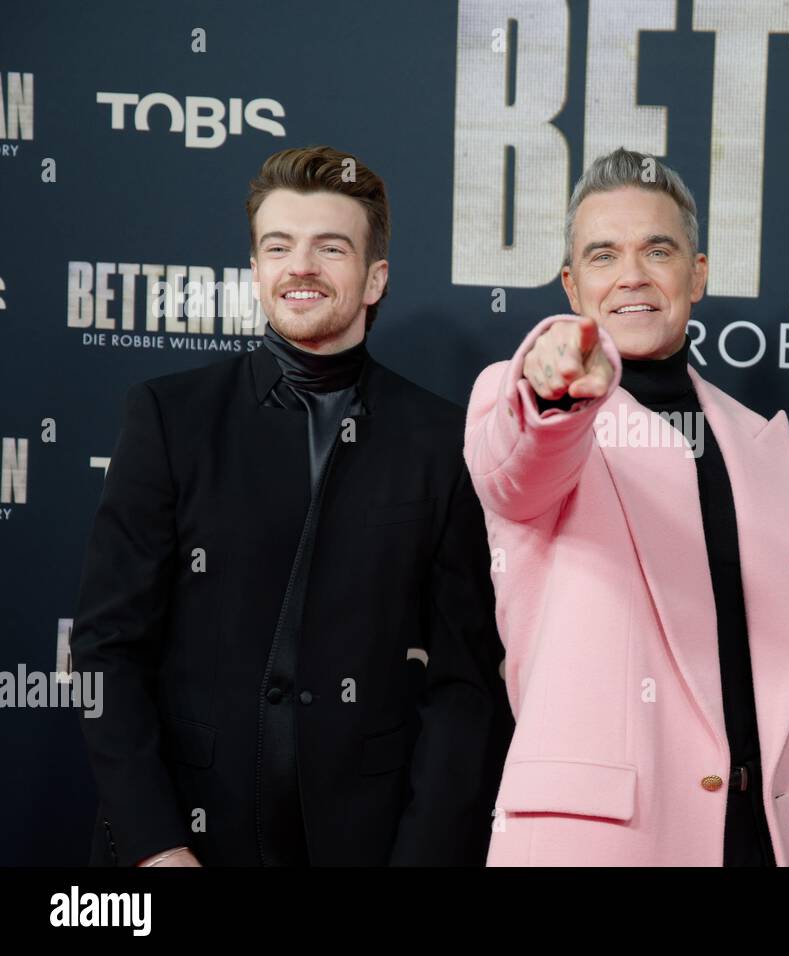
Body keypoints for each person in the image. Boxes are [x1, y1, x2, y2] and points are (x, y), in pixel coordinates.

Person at [71, 145, 511, 866]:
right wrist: (157, 847)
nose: (300, 267)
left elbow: (462, 685)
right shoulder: (170, 418)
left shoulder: (442, 439)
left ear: (374, 279)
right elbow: (104, 653)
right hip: (183, 843)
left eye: (329, 248)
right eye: (279, 246)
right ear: (256, 269)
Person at [465, 148, 789, 866]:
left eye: (658, 249)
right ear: (571, 284)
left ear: (698, 273)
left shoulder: (761, 444)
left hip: (763, 840)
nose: (632, 276)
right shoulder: (530, 405)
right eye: (603, 255)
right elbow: (519, 468)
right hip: (603, 843)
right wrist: (553, 384)